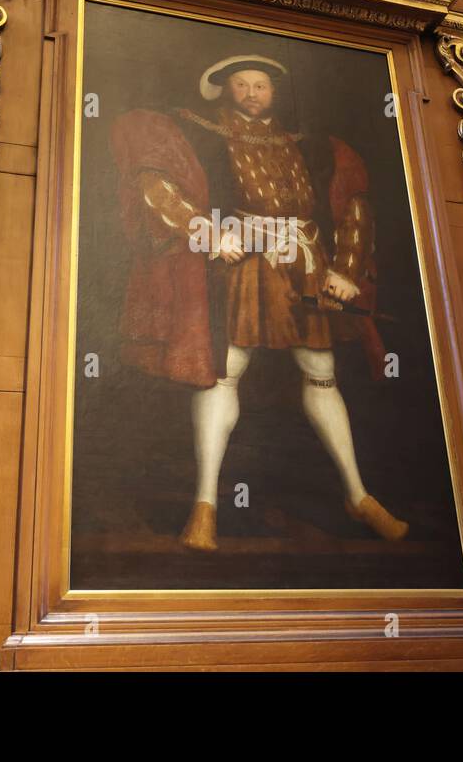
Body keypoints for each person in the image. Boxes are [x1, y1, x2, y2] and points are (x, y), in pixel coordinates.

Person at [110, 53, 408, 551]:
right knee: (226, 368)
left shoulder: (311, 147)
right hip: (243, 261)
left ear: (274, 93)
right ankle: (205, 506)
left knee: (320, 368)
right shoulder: (198, 133)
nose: (251, 93)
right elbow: (155, 183)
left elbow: (353, 203)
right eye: (242, 84)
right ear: (225, 90)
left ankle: (357, 495)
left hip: (307, 263)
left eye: (261, 85)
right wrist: (205, 233)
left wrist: (346, 268)